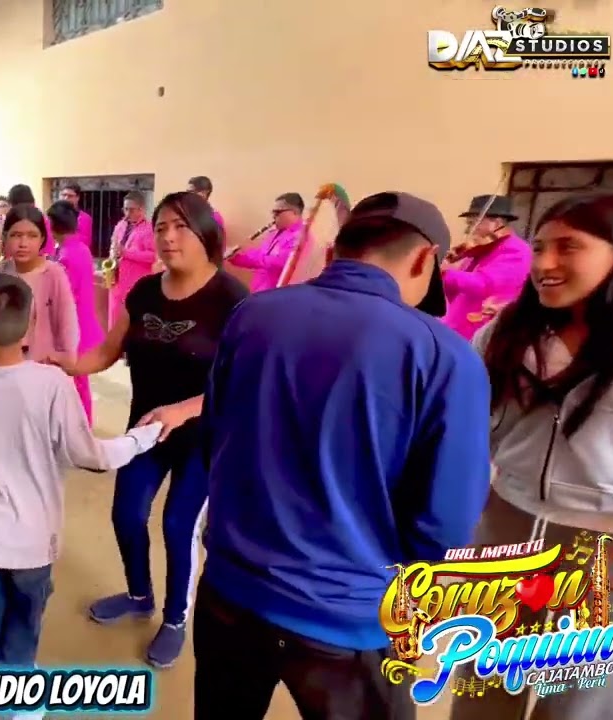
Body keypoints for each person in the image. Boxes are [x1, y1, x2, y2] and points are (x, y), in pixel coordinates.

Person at [194, 191, 493, 720]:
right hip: (348, 618)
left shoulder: (253, 315)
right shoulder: (444, 357)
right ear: (426, 259)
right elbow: (445, 525)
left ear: (333, 250)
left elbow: (214, 437)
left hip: (231, 594)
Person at [449, 192, 613, 720]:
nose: (545, 264)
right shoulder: (506, 336)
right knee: (483, 683)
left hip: (610, 549)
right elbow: (461, 432)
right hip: (507, 525)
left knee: (578, 700)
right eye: (538, 248)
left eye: (568, 247)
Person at [50, 191, 248, 668]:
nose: (167, 236)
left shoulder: (233, 300)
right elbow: (108, 352)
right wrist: (65, 363)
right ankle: (140, 596)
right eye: (160, 227)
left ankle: (176, 618)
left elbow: (245, 383)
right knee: (125, 514)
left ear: (207, 234)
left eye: (180, 226)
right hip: (144, 430)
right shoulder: (143, 293)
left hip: (203, 436)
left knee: (179, 525)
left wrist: (183, 410)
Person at [0, 272, 161, 675]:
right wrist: (140, 438)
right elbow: (90, 455)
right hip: (32, 540)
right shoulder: (51, 384)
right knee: (24, 623)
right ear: (32, 323)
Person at [441, 194, 532, 340]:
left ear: (495, 224)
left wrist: (445, 273)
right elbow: (455, 291)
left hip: (481, 335)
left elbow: (484, 284)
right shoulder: (479, 251)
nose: (468, 230)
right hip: (456, 330)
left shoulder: (516, 251)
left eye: (473, 224)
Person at [0, 205, 78, 366]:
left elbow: (67, 326)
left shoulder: (53, 274)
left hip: (44, 369)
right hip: (8, 368)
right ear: (5, 237)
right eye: (16, 235)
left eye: (32, 236)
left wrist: (63, 359)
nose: (23, 243)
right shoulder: (2, 272)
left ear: (42, 239)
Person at [47, 200, 103, 423]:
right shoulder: (79, 249)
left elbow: (64, 295)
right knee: (79, 382)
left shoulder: (67, 255)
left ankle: (81, 428)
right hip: (82, 323)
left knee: (77, 383)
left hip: (74, 327)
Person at [226, 192, 305, 292]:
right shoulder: (274, 232)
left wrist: (248, 250)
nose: (273, 216)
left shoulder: (300, 237)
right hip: (259, 292)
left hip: (277, 296)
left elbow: (278, 263)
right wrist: (235, 257)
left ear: (294, 212)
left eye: (277, 212)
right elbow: (260, 259)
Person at [105, 191, 156, 329]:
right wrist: (112, 256)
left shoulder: (149, 228)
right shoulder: (120, 225)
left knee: (133, 324)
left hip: (135, 284)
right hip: (117, 282)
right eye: (125, 209)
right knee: (114, 323)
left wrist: (126, 253)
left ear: (141, 209)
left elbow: (153, 256)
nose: (127, 213)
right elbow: (113, 246)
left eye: (131, 209)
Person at [57, 183, 96, 248]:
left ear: (77, 198)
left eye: (70, 196)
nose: (66, 198)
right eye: (64, 195)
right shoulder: (52, 216)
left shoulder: (85, 218)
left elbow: (86, 242)